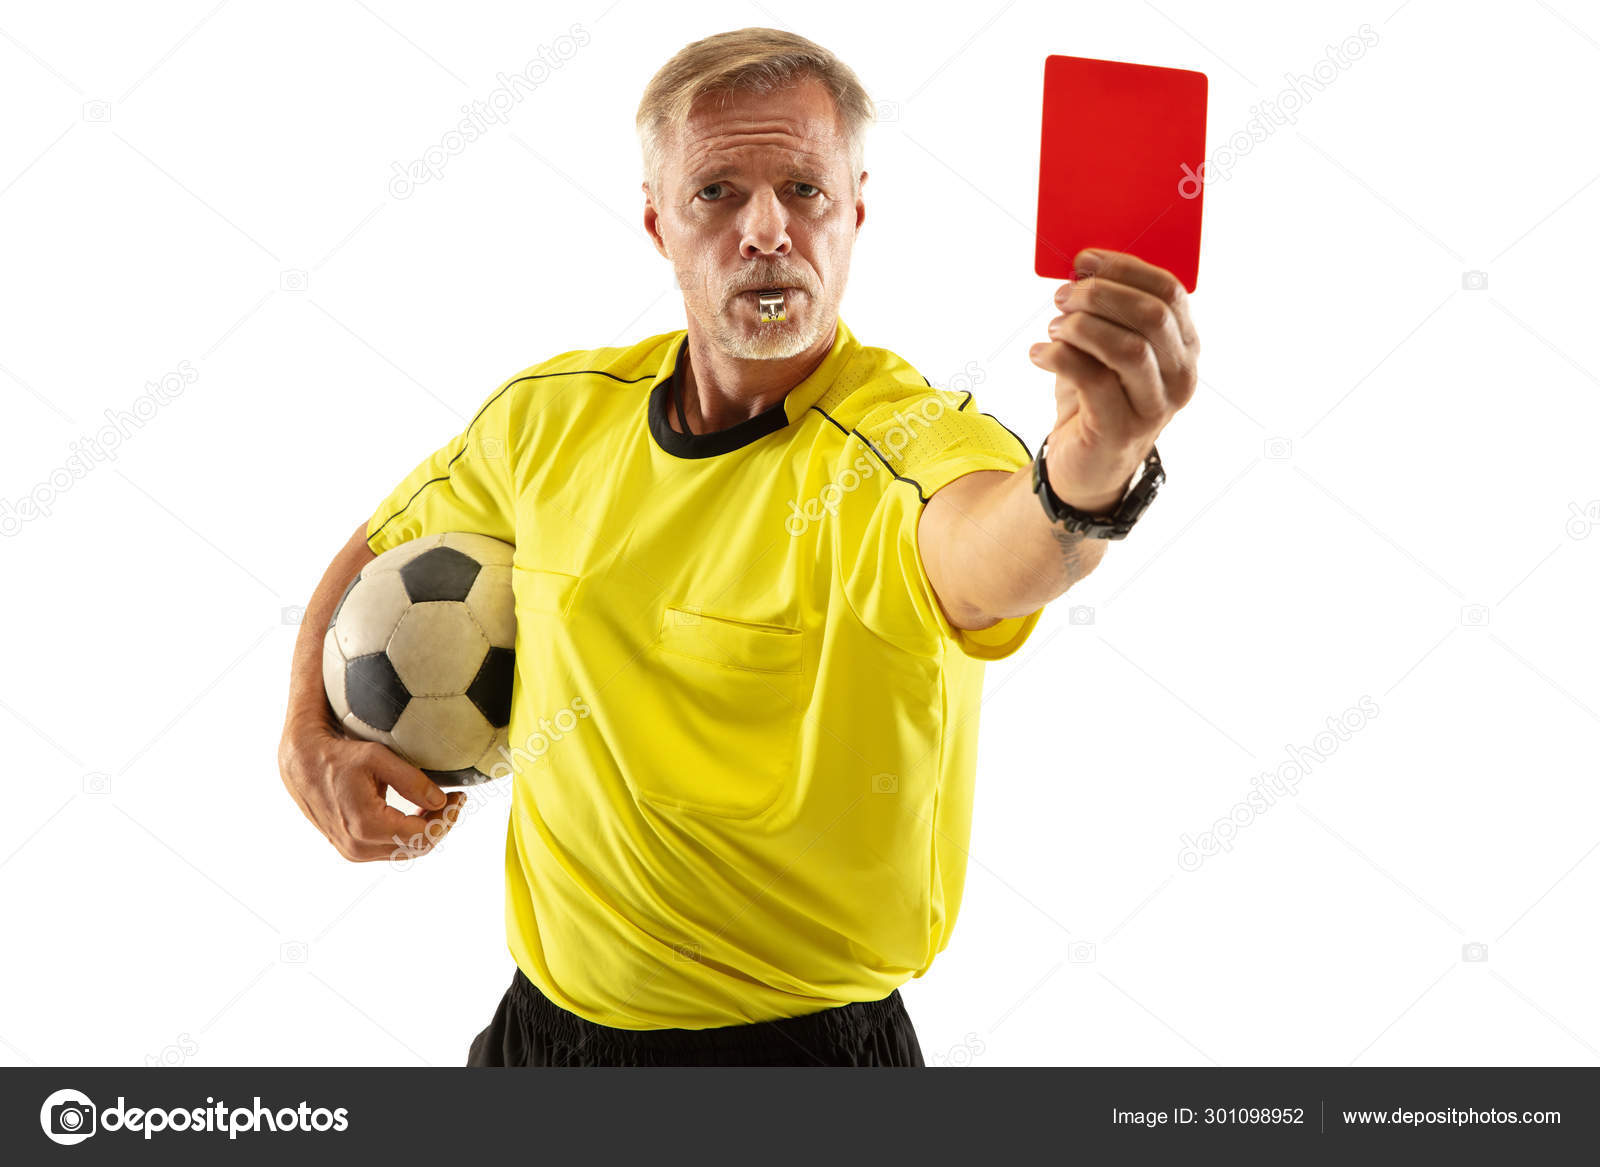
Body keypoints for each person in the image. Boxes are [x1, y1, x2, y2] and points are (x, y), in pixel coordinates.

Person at [278, 27, 1201, 1068]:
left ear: (855, 210)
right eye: (717, 192)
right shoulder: (551, 420)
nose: (767, 229)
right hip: (537, 1035)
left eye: (803, 191)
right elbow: (379, 542)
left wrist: (1090, 468)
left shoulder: (903, 442)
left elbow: (995, 557)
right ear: (656, 222)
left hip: (795, 1060)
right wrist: (305, 733)